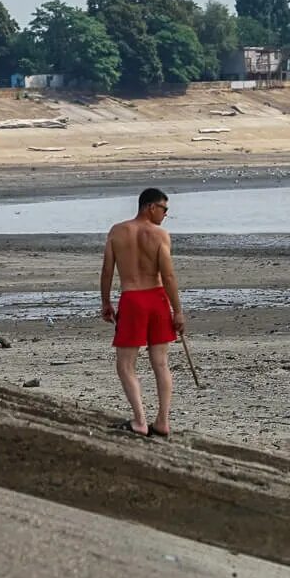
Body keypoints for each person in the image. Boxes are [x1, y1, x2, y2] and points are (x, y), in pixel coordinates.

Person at [100, 187, 184, 437]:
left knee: (126, 364)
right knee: (160, 363)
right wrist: (177, 310)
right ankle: (161, 421)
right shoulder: (160, 235)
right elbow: (167, 275)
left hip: (133, 299)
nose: (165, 215)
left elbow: (107, 271)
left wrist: (106, 302)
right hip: (156, 298)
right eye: (164, 209)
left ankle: (140, 420)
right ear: (150, 207)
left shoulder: (117, 231)